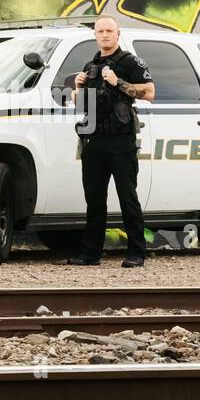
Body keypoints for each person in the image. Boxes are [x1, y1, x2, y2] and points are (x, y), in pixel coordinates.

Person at [67, 16, 155, 268]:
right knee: (94, 200)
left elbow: (150, 92)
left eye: (109, 31)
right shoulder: (90, 65)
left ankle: (137, 253)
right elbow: (83, 105)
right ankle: (90, 253)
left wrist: (121, 83)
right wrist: (77, 89)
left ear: (118, 34)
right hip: (93, 141)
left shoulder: (130, 62)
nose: (104, 35)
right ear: (95, 35)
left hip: (120, 141)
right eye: (100, 31)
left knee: (127, 197)